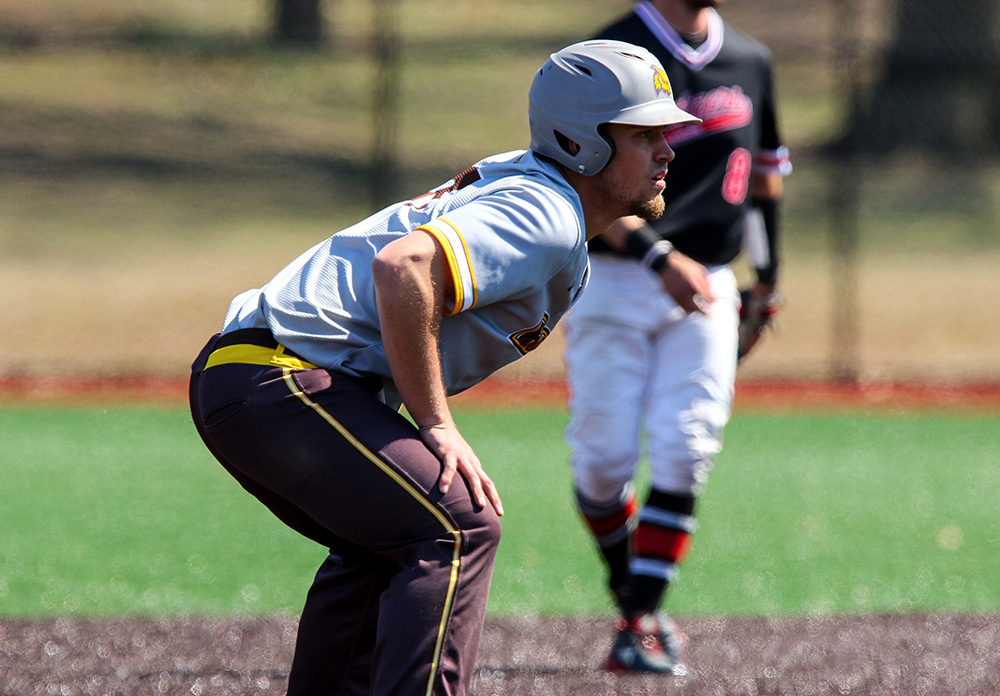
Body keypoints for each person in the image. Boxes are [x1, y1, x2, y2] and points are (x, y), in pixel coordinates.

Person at [189, 40, 707, 696]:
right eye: (644, 134)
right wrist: (437, 424)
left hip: (255, 379)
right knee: (458, 521)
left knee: (382, 548)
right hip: (281, 380)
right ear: (583, 145)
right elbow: (403, 267)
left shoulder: (543, 199)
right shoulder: (546, 215)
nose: (667, 149)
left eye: (666, 133)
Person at [563, 0, 793, 675]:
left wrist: (769, 277)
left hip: (709, 280)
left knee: (687, 446)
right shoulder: (610, 51)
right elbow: (581, 185)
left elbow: (766, 177)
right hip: (614, 277)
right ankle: (633, 596)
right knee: (602, 464)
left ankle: (640, 620)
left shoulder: (750, 59)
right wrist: (659, 259)